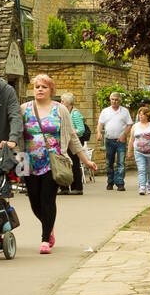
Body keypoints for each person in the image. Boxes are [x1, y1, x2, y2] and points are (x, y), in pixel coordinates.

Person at [21, 74, 96, 254]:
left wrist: (86, 161)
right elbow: (15, 134)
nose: (39, 89)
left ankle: (45, 239)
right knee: (33, 201)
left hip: (53, 161)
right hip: (26, 161)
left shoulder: (60, 109)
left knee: (48, 199)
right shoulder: (24, 108)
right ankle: (49, 224)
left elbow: (71, 138)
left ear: (51, 90)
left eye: (44, 87)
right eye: (37, 86)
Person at [96, 92, 133, 191]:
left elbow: (129, 124)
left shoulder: (124, 111)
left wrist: (124, 135)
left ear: (119, 100)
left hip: (120, 141)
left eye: (116, 99)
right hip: (109, 140)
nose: (114, 101)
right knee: (109, 163)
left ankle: (120, 183)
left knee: (121, 162)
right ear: (110, 100)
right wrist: (99, 132)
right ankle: (110, 182)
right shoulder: (105, 111)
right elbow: (100, 123)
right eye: (112, 99)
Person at [58, 93, 88, 195]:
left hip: (73, 143)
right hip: (63, 142)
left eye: (62, 101)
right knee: (62, 164)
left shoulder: (75, 113)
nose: (61, 102)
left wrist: (71, 132)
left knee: (74, 165)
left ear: (68, 102)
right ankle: (64, 188)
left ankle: (77, 188)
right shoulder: (62, 112)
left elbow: (81, 129)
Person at [131, 106, 150, 196]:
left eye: (142, 114)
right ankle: (142, 187)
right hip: (138, 151)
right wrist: (129, 151)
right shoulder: (135, 126)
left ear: (147, 115)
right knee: (141, 169)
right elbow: (131, 139)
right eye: (139, 114)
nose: (140, 116)